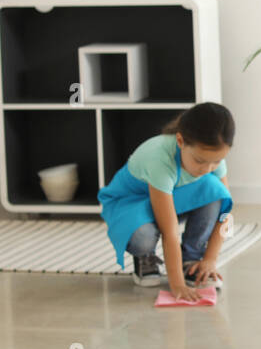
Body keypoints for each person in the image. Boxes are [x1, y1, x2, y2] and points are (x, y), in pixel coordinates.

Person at [98, 102, 234, 301]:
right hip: (132, 202)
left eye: (216, 161)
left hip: (174, 196)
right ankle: (145, 258)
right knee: (142, 238)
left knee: (217, 193)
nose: (207, 168)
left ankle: (192, 259)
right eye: (199, 161)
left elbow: (225, 212)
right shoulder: (161, 160)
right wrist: (177, 285)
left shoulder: (213, 158)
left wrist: (210, 260)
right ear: (180, 141)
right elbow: (169, 231)